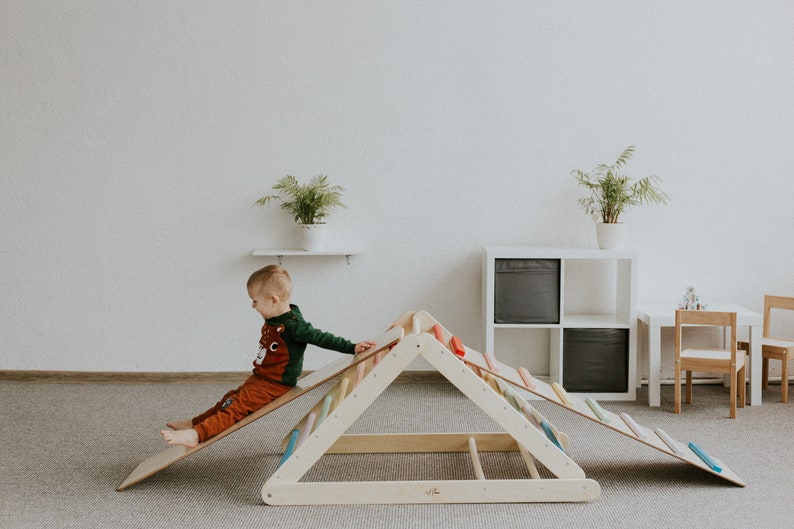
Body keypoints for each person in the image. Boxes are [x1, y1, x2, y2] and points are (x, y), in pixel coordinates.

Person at [160, 265, 376, 448]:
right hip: (260, 378)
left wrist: (352, 347)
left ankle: (196, 435)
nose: (252, 306)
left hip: (274, 384)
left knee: (236, 408)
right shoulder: (275, 316)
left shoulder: (293, 325)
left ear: (273, 300)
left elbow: (322, 338)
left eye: (255, 301)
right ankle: (194, 423)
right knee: (229, 399)